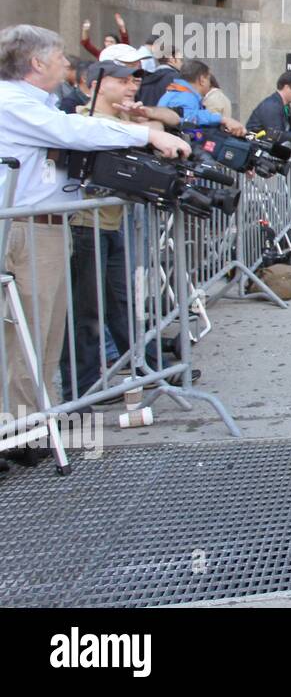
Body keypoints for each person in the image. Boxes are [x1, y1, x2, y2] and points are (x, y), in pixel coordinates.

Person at [0, 25, 190, 443]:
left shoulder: (40, 104)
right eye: (59, 58)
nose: (68, 65)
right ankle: (21, 428)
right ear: (36, 63)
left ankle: (34, 425)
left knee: (44, 336)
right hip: (24, 230)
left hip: (45, 228)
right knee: (27, 336)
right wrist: (147, 134)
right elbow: (74, 132)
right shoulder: (12, 102)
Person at [61, 60, 181, 404]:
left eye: (134, 81)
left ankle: (150, 366)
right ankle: (81, 390)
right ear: (96, 84)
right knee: (85, 312)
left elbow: (170, 125)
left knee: (123, 305)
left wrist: (145, 117)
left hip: (112, 225)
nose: (132, 87)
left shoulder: (124, 122)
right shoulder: (82, 121)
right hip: (86, 227)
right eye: (123, 81)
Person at [157, 61, 247, 136]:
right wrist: (222, 119)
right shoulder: (186, 97)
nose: (209, 83)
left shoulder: (175, 93)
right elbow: (188, 120)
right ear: (202, 80)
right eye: (208, 79)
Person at [245, 71, 291, 144]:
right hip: (255, 150)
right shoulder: (272, 106)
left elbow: (288, 132)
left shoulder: (285, 106)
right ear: (286, 88)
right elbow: (276, 136)